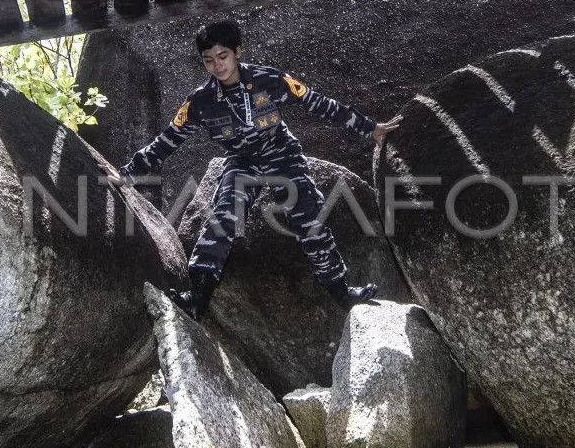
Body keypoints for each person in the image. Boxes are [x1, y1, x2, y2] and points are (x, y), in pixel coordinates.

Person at [107, 20, 402, 319]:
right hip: (242, 161)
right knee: (223, 217)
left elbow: (317, 103)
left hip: (280, 153)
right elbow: (167, 141)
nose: (217, 66)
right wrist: (128, 173)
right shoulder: (201, 102)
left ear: (237, 52)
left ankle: (341, 291)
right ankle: (197, 297)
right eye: (208, 60)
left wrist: (369, 128)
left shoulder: (268, 80)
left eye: (222, 57)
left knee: (307, 213)